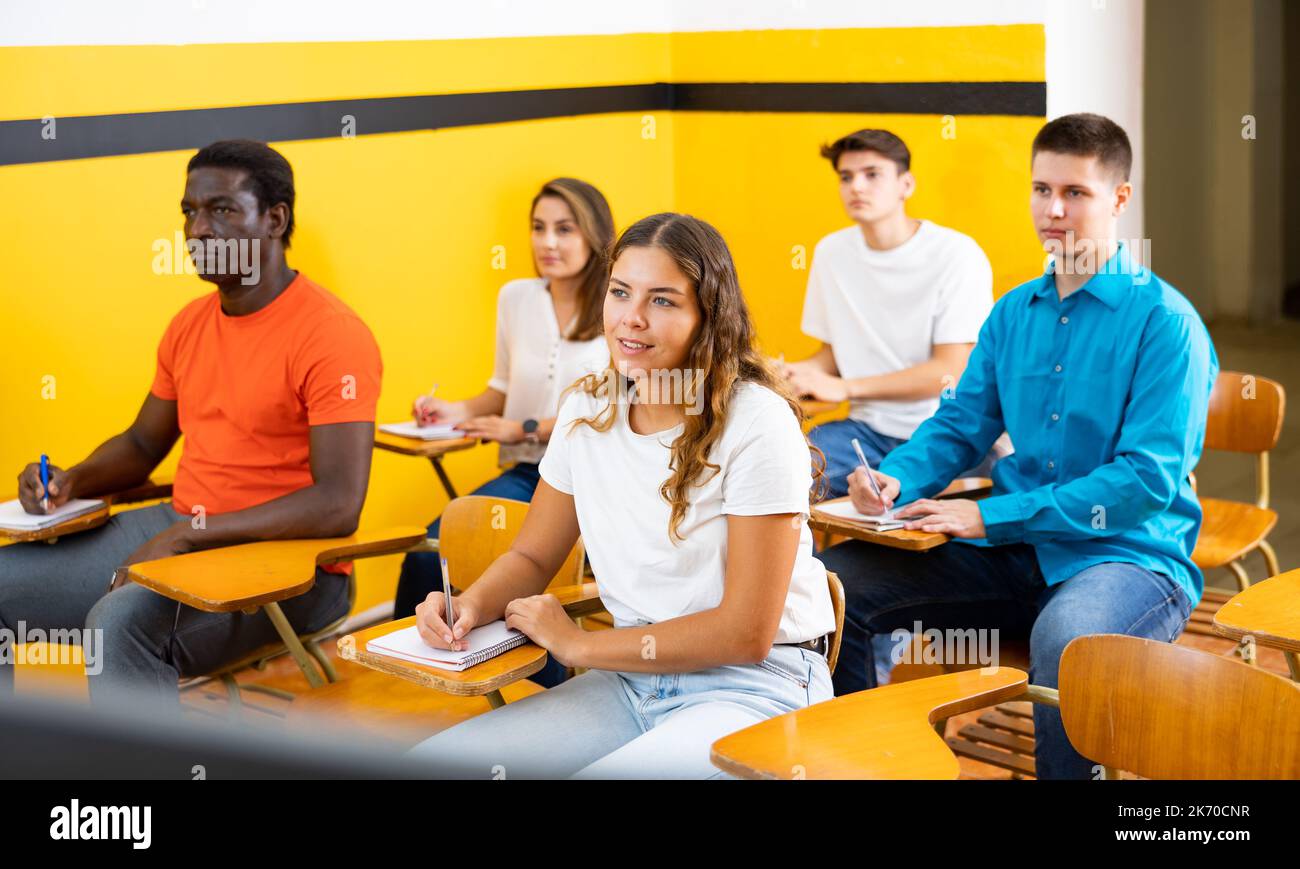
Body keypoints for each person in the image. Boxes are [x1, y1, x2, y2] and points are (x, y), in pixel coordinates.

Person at [818, 114, 1216, 779]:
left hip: (1127, 558)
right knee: (834, 589)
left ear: (1119, 199)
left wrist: (988, 515)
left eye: (1076, 193)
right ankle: (868, 767)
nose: (1052, 209)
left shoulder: (1166, 324)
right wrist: (894, 479)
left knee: (1065, 643)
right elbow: (961, 424)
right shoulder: (1011, 314)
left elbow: (1145, 481)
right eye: (1041, 189)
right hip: (1013, 553)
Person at [406, 213, 836, 778]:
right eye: (620, 292)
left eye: (663, 300)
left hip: (756, 688)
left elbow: (746, 633)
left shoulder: (757, 422)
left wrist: (578, 647)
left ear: (709, 315)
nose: (631, 319)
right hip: (631, 680)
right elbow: (532, 557)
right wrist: (469, 606)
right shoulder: (587, 410)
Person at [0, 140, 382, 706]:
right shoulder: (189, 325)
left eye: (221, 210)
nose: (198, 230)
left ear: (275, 219)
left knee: (119, 627)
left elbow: (337, 504)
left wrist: (186, 535)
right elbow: (140, 442)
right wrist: (69, 482)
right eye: (189, 212)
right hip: (185, 524)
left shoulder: (332, 335)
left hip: (297, 566)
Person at [392, 179, 614, 657]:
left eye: (564, 229)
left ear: (594, 236)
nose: (547, 242)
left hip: (592, 484)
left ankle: (541, 691)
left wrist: (524, 429)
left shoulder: (618, 305)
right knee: (430, 549)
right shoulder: (516, 298)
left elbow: (611, 403)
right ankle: (413, 662)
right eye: (538, 228)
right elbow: (502, 388)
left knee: (536, 580)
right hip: (525, 474)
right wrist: (454, 411)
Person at [784, 128, 993, 498]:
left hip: (944, 432)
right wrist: (792, 375)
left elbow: (950, 371)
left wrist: (845, 387)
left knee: (955, 509)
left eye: (872, 174)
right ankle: (818, 561)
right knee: (778, 474)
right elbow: (833, 355)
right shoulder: (831, 253)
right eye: (846, 177)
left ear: (906, 184)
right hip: (864, 432)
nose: (856, 187)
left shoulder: (956, 254)